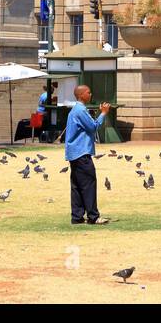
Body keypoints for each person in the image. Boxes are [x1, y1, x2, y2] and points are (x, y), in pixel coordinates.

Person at [64, 85, 111, 225]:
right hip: (81, 153)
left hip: (74, 153)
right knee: (89, 184)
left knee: (77, 186)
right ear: (81, 95)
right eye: (88, 92)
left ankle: (77, 216)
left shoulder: (76, 110)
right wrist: (103, 113)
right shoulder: (80, 110)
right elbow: (93, 127)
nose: (90, 94)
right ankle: (93, 216)